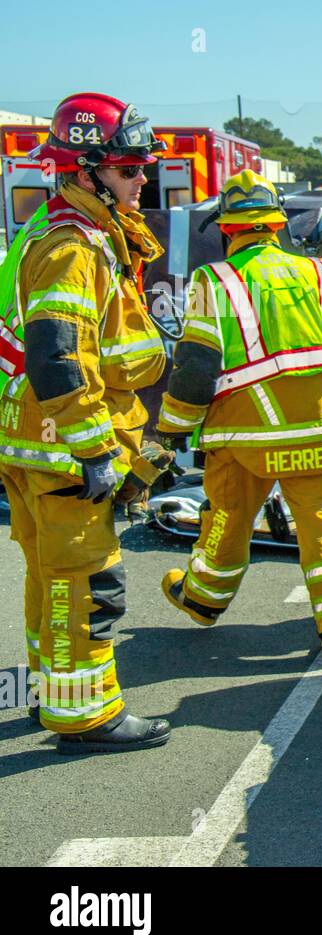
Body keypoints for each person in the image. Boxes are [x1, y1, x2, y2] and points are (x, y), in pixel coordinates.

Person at [0, 93, 173, 752]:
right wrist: (98, 450)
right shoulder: (74, 245)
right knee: (85, 581)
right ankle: (83, 714)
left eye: (143, 168)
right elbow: (58, 354)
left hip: (31, 441)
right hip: (62, 448)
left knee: (50, 576)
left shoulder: (65, 231)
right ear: (86, 169)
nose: (142, 181)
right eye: (131, 169)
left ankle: (52, 686)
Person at [155, 170, 322, 659]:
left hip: (242, 437)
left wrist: (172, 431)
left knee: (227, 517)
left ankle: (203, 601)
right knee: (320, 517)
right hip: (320, 429)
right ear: (276, 225)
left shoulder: (212, 280)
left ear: (228, 229)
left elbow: (196, 367)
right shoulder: (321, 274)